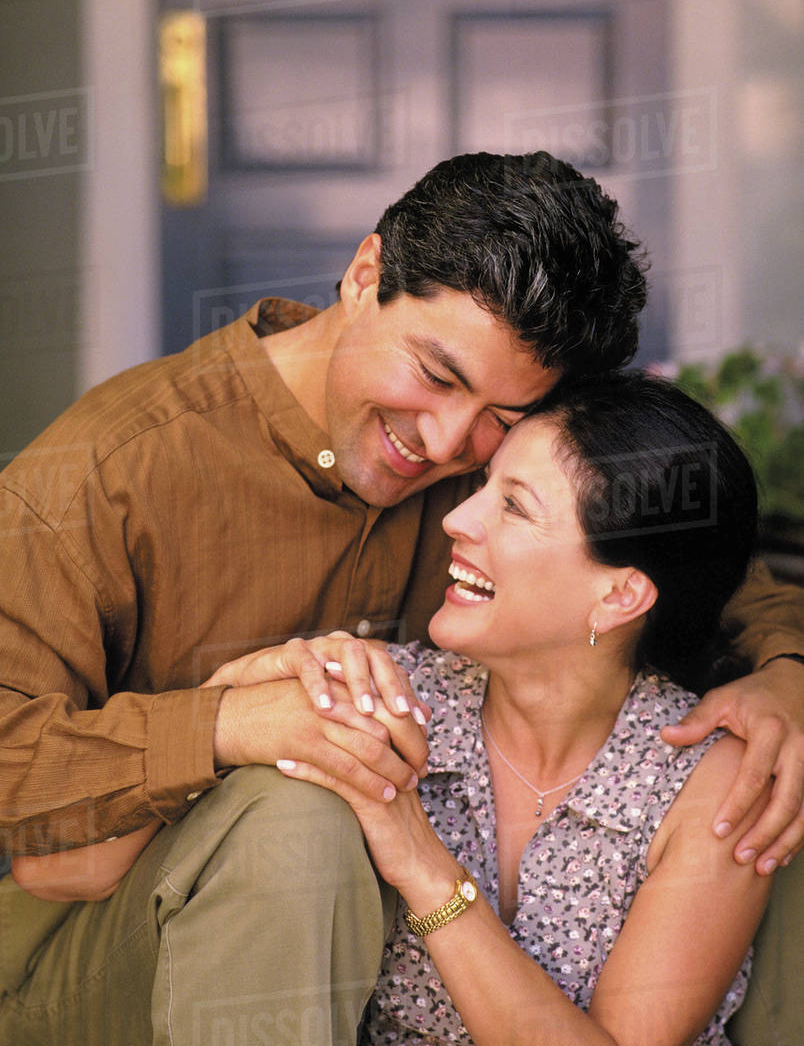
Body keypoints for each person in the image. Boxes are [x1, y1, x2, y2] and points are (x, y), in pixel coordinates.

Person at [0, 153, 801, 1045]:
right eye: (437, 375)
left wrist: (788, 676)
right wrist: (228, 724)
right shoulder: (108, 470)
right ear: (365, 273)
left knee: (772, 791)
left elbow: (695, 569)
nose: (449, 445)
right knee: (298, 816)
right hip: (96, 958)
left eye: (502, 422)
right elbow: (26, 801)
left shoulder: (514, 468)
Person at [259, 373, 778, 1044]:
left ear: (619, 596)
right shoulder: (389, 698)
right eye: (484, 487)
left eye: (515, 506)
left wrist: (420, 860)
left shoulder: (712, 785)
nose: (457, 520)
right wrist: (262, 671)